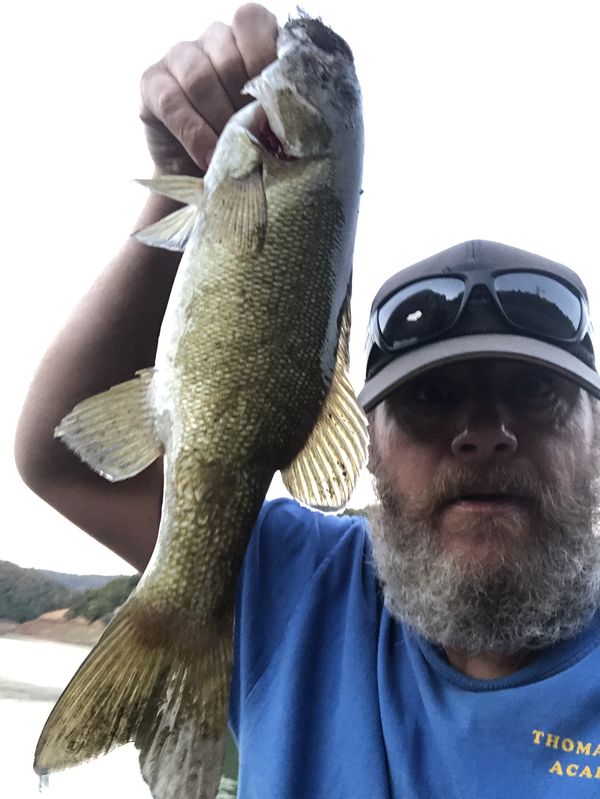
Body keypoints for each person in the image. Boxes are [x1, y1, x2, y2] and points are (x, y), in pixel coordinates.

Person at [14, 4, 600, 797]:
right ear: (366, 443)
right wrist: (190, 185)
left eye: (537, 392)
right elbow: (60, 453)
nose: (485, 434)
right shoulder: (302, 587)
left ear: (595, 436)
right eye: (429, 397)